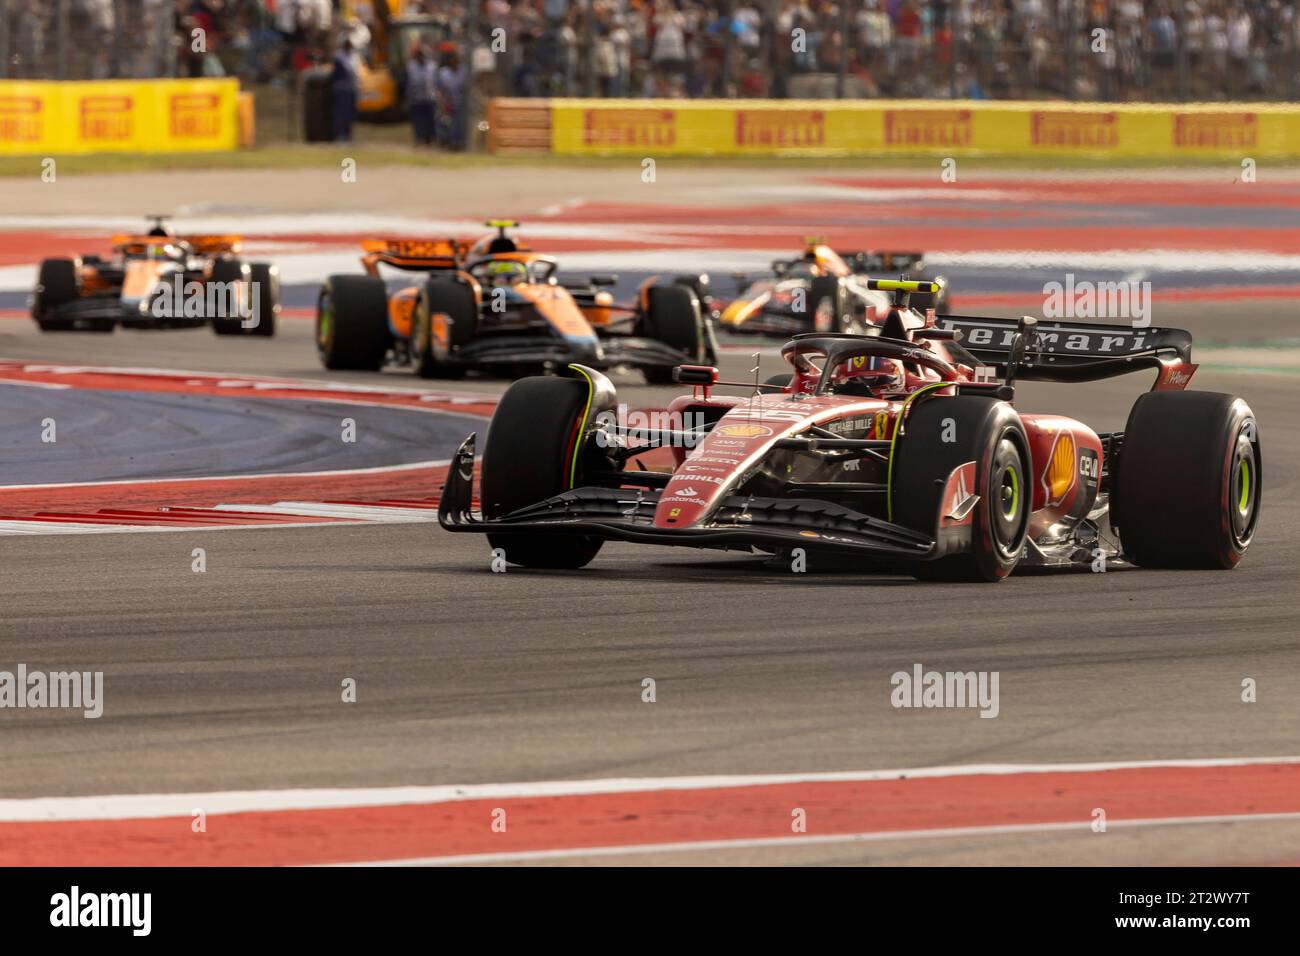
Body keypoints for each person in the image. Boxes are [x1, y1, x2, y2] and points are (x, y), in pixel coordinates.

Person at [406, 43, 438, 146]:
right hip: (416, 99)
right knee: (418, 121)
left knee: (430, 120)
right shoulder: (411, 66)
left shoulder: (432, 66)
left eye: (423, 55)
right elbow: (409, 82)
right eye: (419, 55)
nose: (421, 57)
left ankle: (429, 138)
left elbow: (436, 82)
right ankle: (419, 138)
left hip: (430, 98)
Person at [330, 36, 359, 142]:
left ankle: (348, 134)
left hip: (351, 88)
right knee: (341, 113)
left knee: (350, 113)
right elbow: (335, 75)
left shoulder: (354, 56)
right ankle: (340, 134)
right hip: (341, 89)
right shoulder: (339, 57)